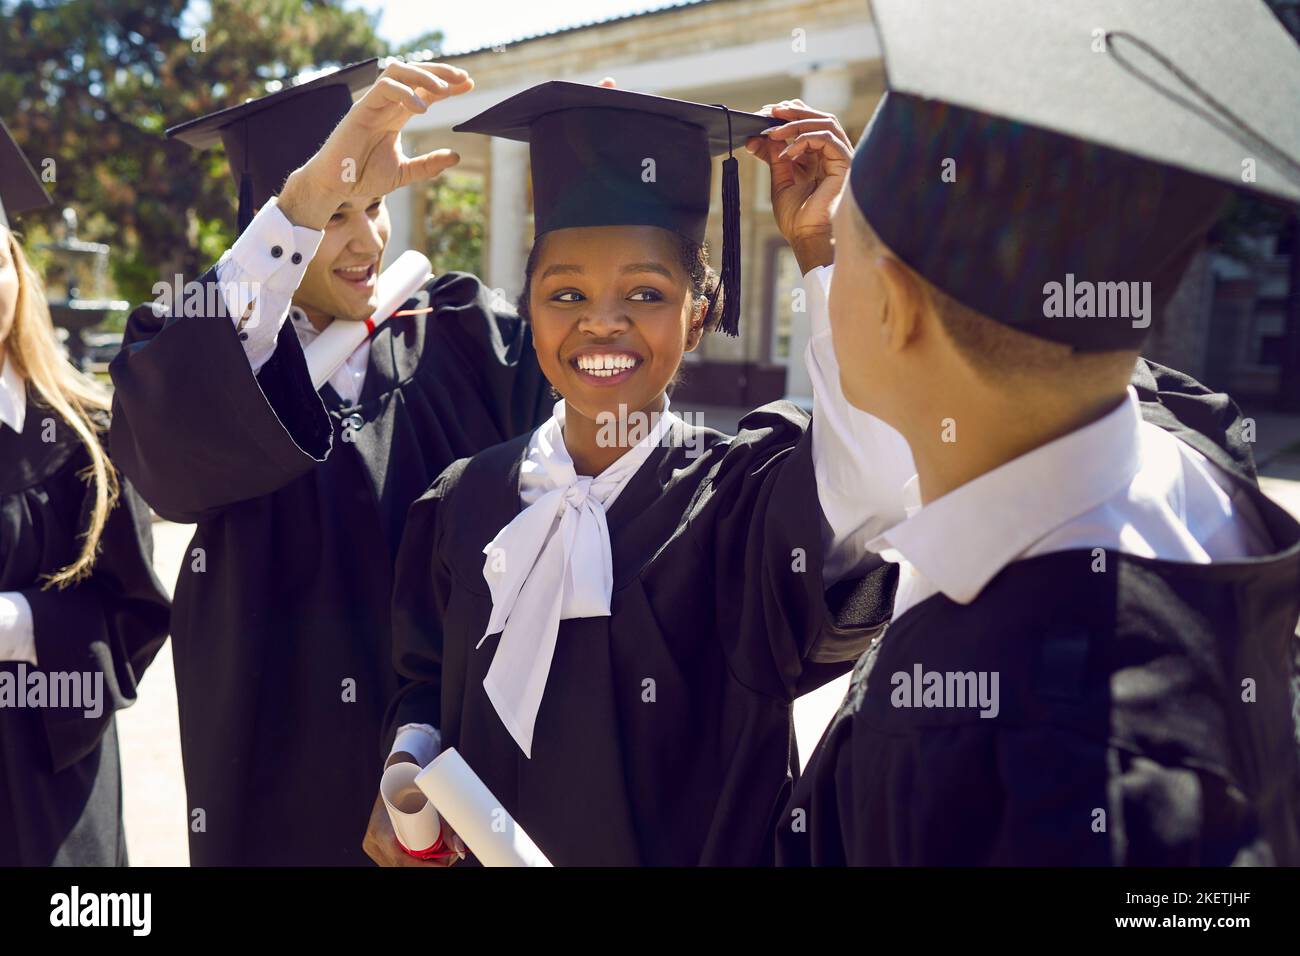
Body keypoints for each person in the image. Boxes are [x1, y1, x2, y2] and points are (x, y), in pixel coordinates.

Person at [779, 0, 1300, 866]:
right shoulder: (1193, 457)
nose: (827, 268)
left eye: (844, 246)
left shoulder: (1046, 773)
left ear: (896, 307)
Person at [365, 81, 914, 867]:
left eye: (646, 293)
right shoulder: (466, 499)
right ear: (531, 308)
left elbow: (873, 482)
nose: (602, 320)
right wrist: (405, 762)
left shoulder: (743, 498)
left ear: (699, 312)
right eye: (567, 293)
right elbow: (424, 679)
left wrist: (827, 252)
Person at [108, 59, 551, 866]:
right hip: (277, 765)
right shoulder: (209, 354)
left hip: (440, 758)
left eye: (376, 206)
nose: (367, 239)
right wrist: (301, 206)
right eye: (333, 215)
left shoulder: (458, 333)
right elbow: (163, 466)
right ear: (271, 225)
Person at [0, 120, 170, 865]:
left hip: (50, 778)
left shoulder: (86, 436)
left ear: (16, 270)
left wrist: (16, 625)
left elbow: (133, 611)